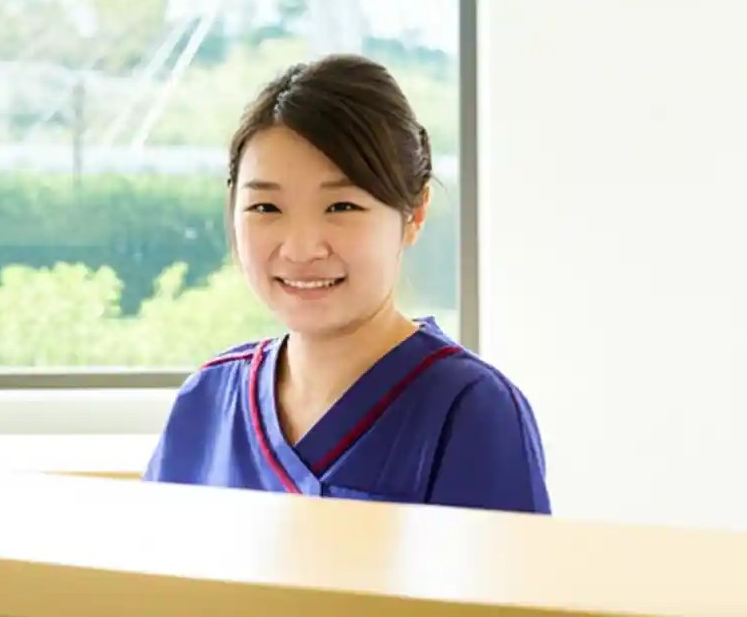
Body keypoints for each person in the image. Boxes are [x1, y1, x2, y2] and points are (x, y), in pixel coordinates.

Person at [142, 55, 550, 514]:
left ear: (414, 214)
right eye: (265, 208)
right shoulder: (209, 398)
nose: (300, 249)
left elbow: (504, 585)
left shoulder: (471, 410)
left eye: (340, 207)